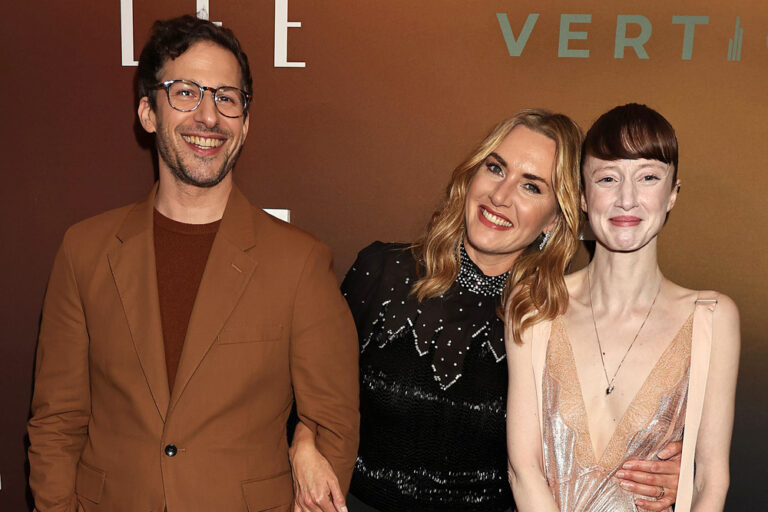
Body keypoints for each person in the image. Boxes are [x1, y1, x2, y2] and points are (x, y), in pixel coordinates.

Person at [27, 15, 359, 512]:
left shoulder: (300, 262)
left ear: (245, 125)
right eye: (185, 92)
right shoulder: (85, 250)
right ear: (148, 112)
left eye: (226, 97)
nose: (208, 116)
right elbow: (58, 419)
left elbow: (333, 419)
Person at [289, 109, 683, 512]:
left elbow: (594, 452)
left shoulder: (560, 320)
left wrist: (670, 475)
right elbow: (308, 396)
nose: (500, 195)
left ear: (555, 218)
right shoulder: (383, 272)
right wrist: (303, 448)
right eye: (496, 168)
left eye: (531, 187)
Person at [506, 103, 740, 511]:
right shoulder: (534, 304)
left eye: (648, 177)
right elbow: (523, 470)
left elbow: (710, 480)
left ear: (672, 195)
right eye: (608, 178)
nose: (627, 199)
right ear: (582, 196)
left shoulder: (712, 317)